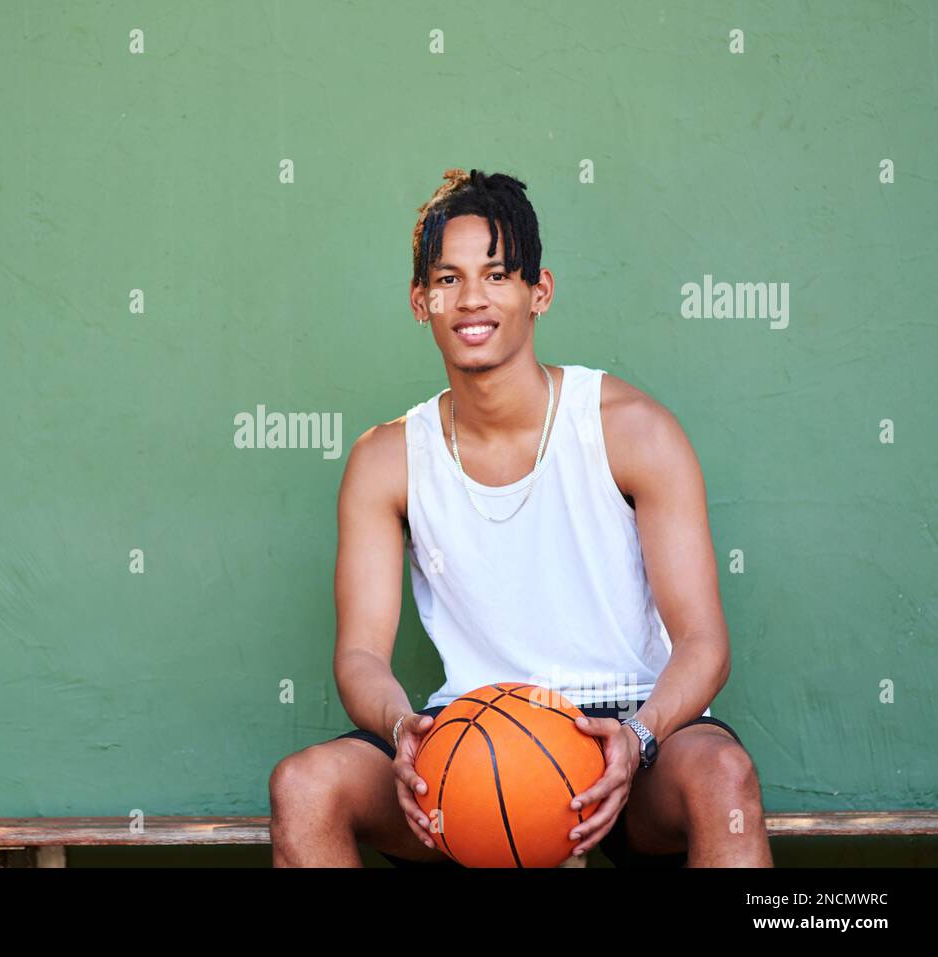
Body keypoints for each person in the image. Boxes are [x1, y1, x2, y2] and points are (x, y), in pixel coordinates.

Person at [268, 168, 773, 868]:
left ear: (540, 292)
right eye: (447, 279)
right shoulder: (387, 460)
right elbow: (358, 655)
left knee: (723, 778)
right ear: (420, 301)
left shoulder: (633, 430)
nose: (472, 298)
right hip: (471, 736)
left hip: (625, 728)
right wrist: (399, 725)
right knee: (304, 784)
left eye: (498, 274)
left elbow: (704, 643)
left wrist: (642, 736)